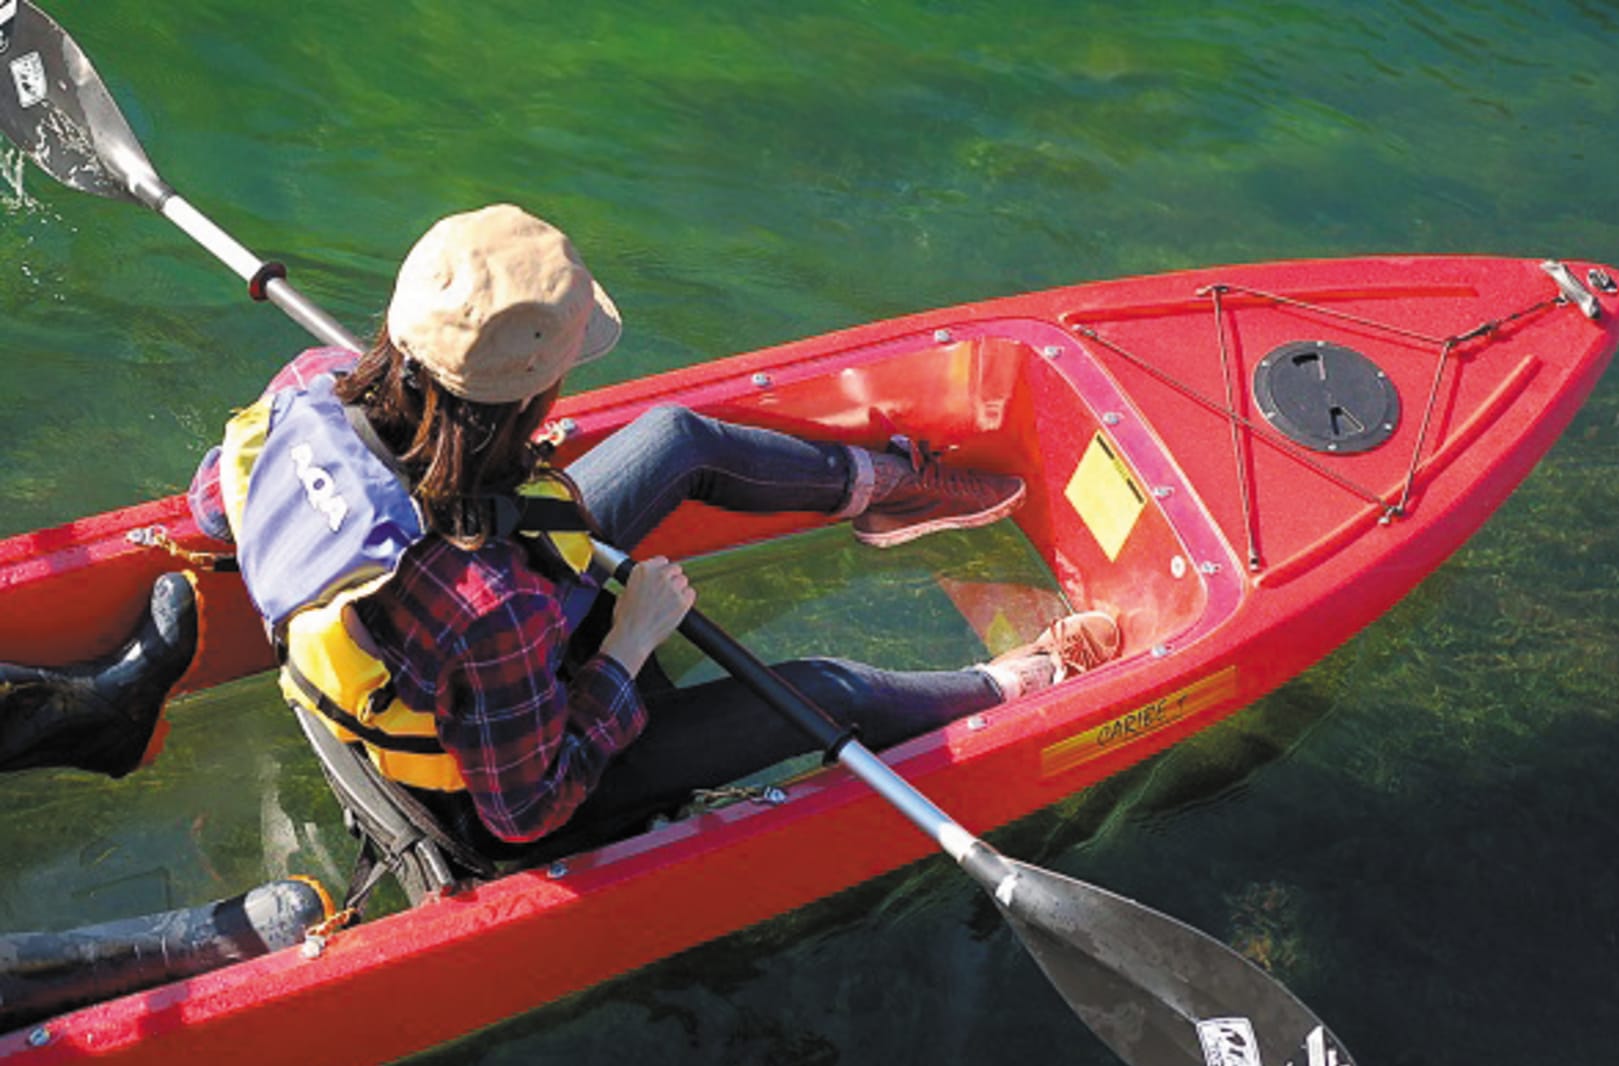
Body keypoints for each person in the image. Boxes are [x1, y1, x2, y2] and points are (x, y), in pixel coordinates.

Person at [1, 205, 1121, 864]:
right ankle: (1018, 683)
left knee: (676, 437)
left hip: (449, 604)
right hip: (482, 793)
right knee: (823, 690)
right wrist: (627, 648)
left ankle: (881, 489)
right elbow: (530, 807)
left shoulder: (310, 388)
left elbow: (216, 502)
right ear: (530, 402)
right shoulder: (488, 605)